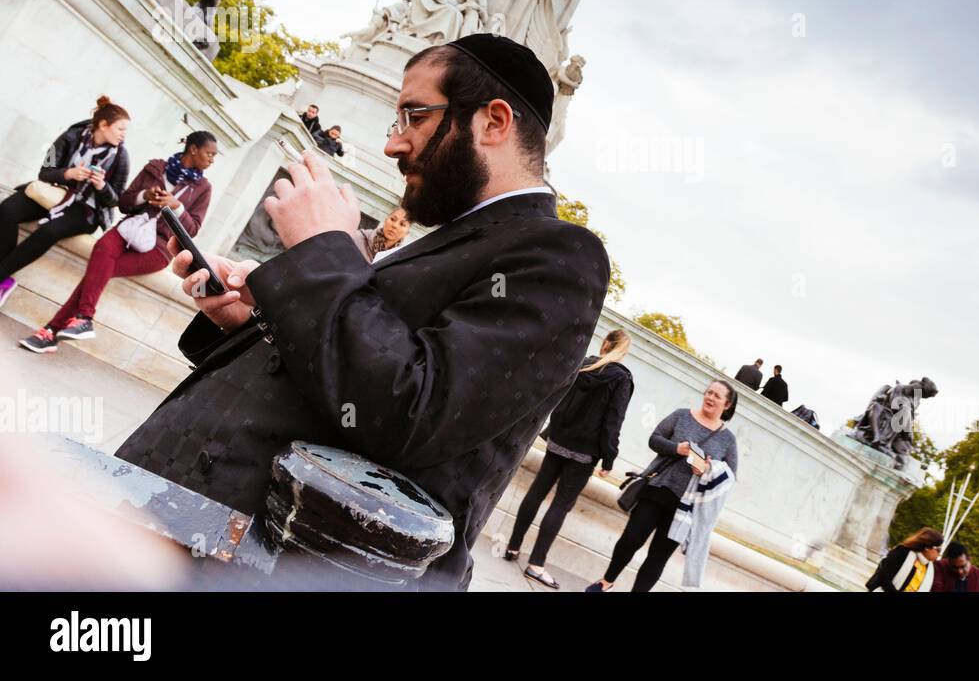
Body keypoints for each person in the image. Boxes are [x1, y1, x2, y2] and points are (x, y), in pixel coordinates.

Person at [114, 34, 610, 591]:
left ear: (493, 122)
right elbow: (350, 365)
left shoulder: (562, 255)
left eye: (414, 116)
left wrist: (324, 249)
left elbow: (414, 413)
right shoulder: (455, 239)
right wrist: (257, 317)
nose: (395, 145)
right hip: (196, 533)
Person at [19, 132, 218, 352]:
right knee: (102, 247)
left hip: (160, 247)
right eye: (209, 153)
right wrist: (145, 196)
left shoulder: (203, 188)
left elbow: (193, 229)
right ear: (193, 149)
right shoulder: (155, 167)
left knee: (97, 274)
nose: (212, 159)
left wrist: (176, 206)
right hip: (129, 227)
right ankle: (82, 319)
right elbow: (123, 203)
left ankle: (52, 331)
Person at [505, 329, 634, 589]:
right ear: (622, 350)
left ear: (606, 343)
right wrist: (609, 460)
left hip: (559, 440)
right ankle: (536, 565)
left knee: (537, 490)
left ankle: (513, 546)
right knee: (561, 504)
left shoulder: (584, 364)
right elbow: (613, 422)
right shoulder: (621, 378)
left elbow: (559, 396)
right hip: (585, 452)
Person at [587, 380, 740, 592]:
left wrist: (707, 469)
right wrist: (678, 448)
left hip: (686, 507)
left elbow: (730, 477)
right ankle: (606, 581)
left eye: (717, 396)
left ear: (727, 405)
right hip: (658, 489)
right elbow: (654, 439)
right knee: (630, 539)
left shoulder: (728, 440)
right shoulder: (682, 415)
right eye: (709, 392)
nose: (710, 397)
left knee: (658, 556)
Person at [0, 96, 130, 310]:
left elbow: (116, 199)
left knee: (48, 231)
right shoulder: (69, 136)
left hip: (87, 209)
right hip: (53, 193)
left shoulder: (121, 156)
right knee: (6, 210)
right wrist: (69, 173)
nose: (123, 135)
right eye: (121, 129)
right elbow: (44, 172)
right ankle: (4, 280)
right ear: (103, 125)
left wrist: (101, 186)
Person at [865, 527, 943, 592]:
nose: (939, 554)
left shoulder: (930, 568)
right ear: (927, 547)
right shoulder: (902, 552)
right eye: (938, 550)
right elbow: (884, 577)